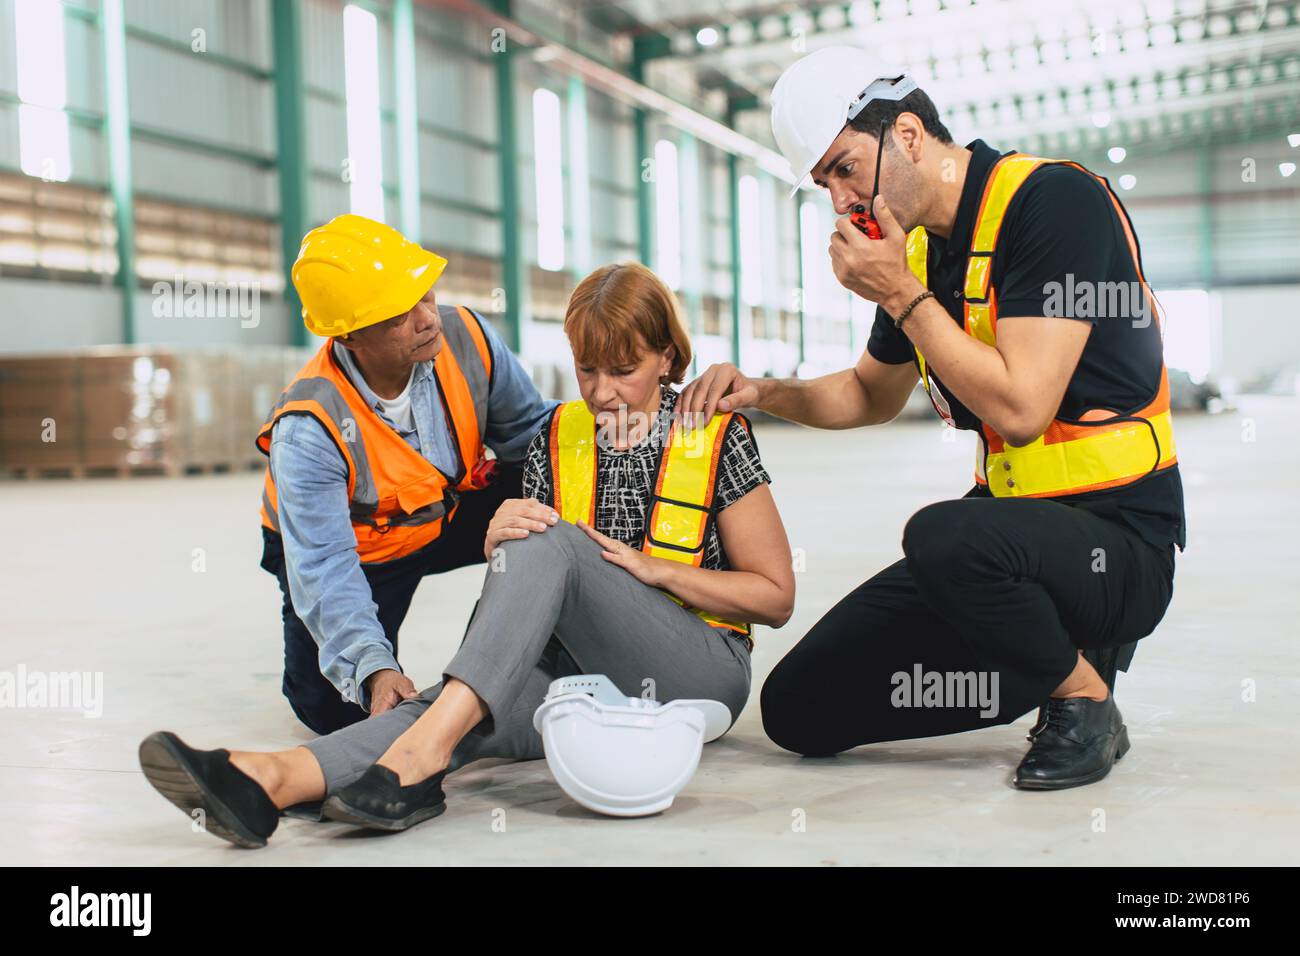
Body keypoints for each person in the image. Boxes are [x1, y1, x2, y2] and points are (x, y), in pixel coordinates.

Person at [140, 261, 795, 846]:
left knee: (543, 550)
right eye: (586, 369)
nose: (601, 392)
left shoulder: (713, 434)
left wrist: (654, 569)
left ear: (668, 360)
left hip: (696, 675)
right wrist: (495, 540)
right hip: (586, 676)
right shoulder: (555, 435)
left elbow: (776, 597)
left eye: (623, 371)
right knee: (455, 703)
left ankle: (418, 758)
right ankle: (271, 778)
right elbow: (328, 570)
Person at [681, 48, 1185, 789]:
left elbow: (1020, 409)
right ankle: (1041, 657)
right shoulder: (921, 251)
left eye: (845, 168)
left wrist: (900, 295)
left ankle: (1083, 698)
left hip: (1118, 543)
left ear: (908, 134)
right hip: (1010, 544)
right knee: (799, 709)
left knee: (943, 535)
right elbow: (868, 395)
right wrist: (763, 391)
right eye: (823, 184)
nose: (840, 200)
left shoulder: (1053, 205)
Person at [257, 214, 555, 735]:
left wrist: (630, 421)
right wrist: (373, 668)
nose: (427, 319)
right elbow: (324, 563)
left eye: (426, 295)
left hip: (447, 513)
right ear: (349, 335)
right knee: (334, 711)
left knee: (550, 485)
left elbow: (535, 438)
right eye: (399, 314)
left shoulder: (467, 339)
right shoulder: (310, 428)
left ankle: (543, 643)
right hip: (360, 553)